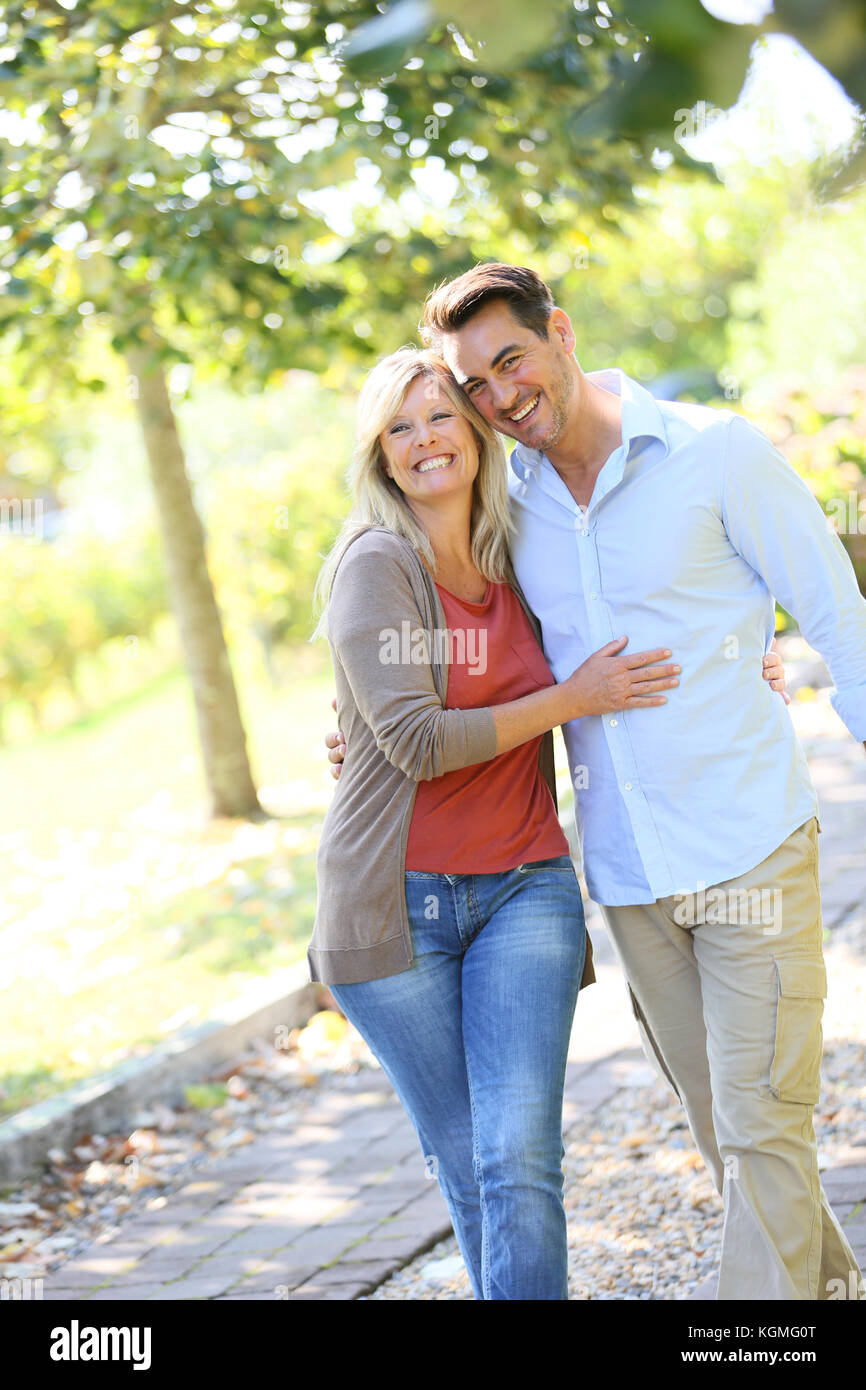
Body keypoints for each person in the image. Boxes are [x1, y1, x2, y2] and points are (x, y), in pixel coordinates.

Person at [325, 263, 866, 1301]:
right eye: (472, 386)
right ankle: (826, 1289)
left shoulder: (715, 454)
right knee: (723, 1122)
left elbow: (832, 606)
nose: (496, 397)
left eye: (508, 363)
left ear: (559, 332)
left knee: (761, 1120)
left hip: (745, 835)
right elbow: (441, 650)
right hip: (626, 873)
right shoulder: (503, 499)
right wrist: (358, 722)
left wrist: (768, 664)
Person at [309, 346, 690, 1300]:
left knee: (517, 1154)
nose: (424, 440)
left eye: (438, 416)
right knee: (474, 1163)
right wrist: (571, 699)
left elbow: (640, 604)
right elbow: (417, 743)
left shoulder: (524, 545)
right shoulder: (375, 563)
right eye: (398, 428)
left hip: (527, 886)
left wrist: (753, 666)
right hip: (395, 913)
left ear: (474, 429)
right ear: (380, 456)